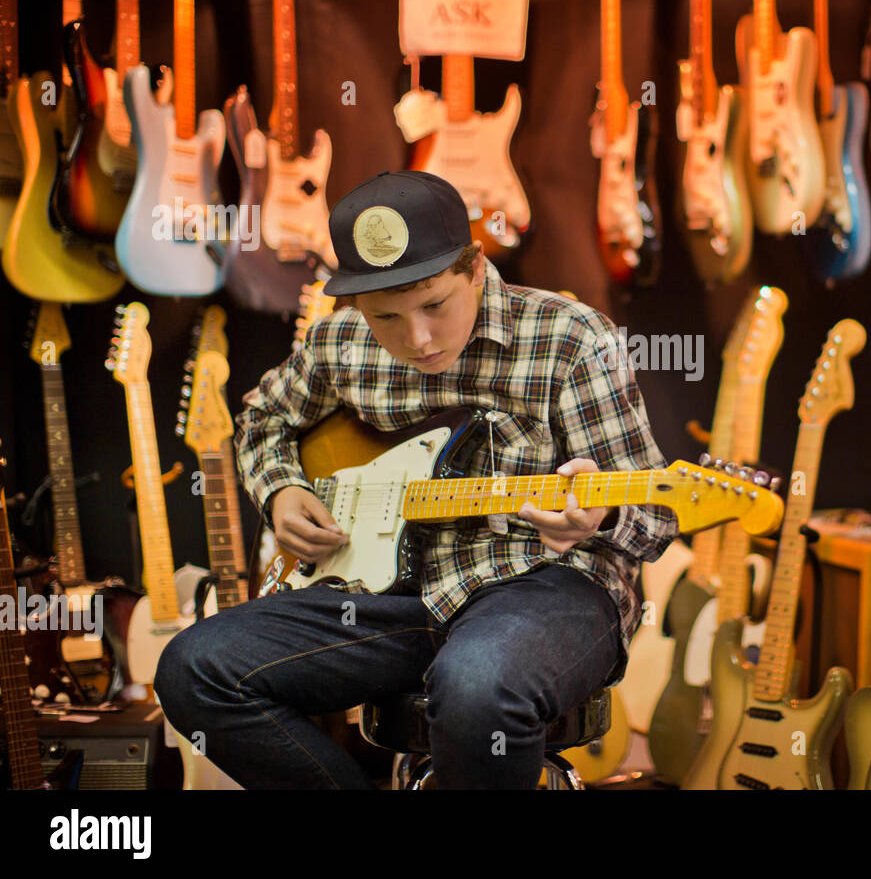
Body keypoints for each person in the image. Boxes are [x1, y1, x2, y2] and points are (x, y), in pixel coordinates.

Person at [155, 171, 677, 788]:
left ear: (475, 268)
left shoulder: (573, 339)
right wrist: (281, 490)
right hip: (387, 599)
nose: (418, 338)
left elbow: (657, 516)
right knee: (194, 669)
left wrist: (603, 514)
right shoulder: (340, 342)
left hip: (543, 588)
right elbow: (262, 417)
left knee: (478, 684)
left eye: (434, 304)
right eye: (387, 317)